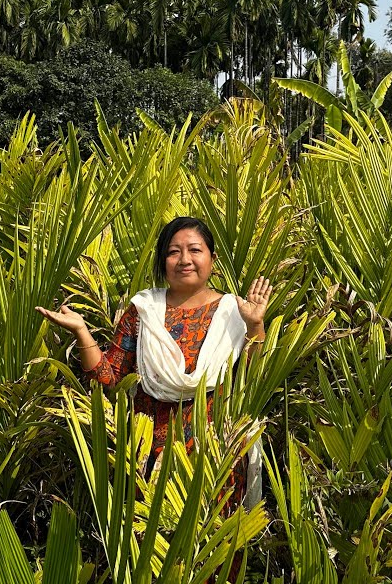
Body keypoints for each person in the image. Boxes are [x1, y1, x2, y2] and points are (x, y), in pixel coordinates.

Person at [36, 216, 273, 509]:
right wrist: (81, 331)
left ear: (213, 258)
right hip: (149, 458)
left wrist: (255, 326)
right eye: (173, 252)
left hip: (215, 460)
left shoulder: (234, 312)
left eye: (195, 250)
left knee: (214, 546)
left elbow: (255, 379)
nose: (184, 259)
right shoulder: (144, 311)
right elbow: (108, 378)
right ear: (162, 261)